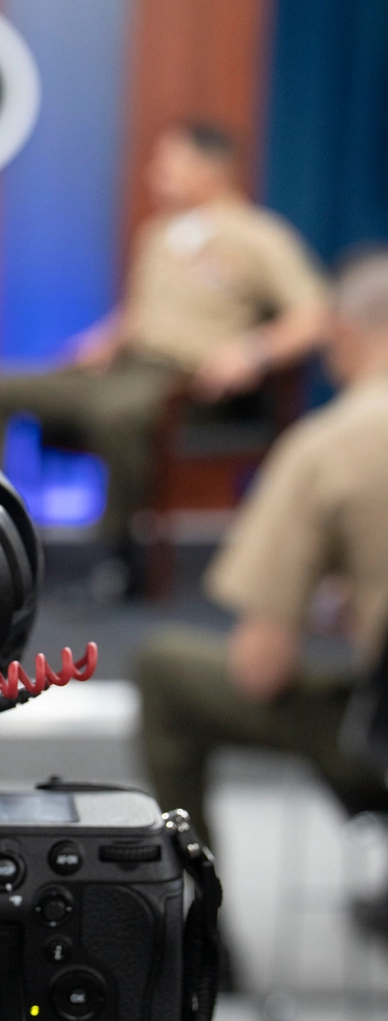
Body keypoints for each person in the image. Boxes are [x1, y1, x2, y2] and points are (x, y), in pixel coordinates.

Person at [0, 121, 329, 591]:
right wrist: (105, 339)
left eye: (169, 163)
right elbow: (142, 313)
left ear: (210, 169)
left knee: (113, 412)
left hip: (190, 383)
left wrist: (252, 352)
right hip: (129, 367)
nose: (154, 173)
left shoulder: (258, 236)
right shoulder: (159, 233)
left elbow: (315, 314)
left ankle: (114, 555)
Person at [135, 249, 388, 879]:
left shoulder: (329, 447)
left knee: (165, 671)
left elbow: (261, 668)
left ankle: (199, 938)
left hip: (381, 747)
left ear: (343, 334)